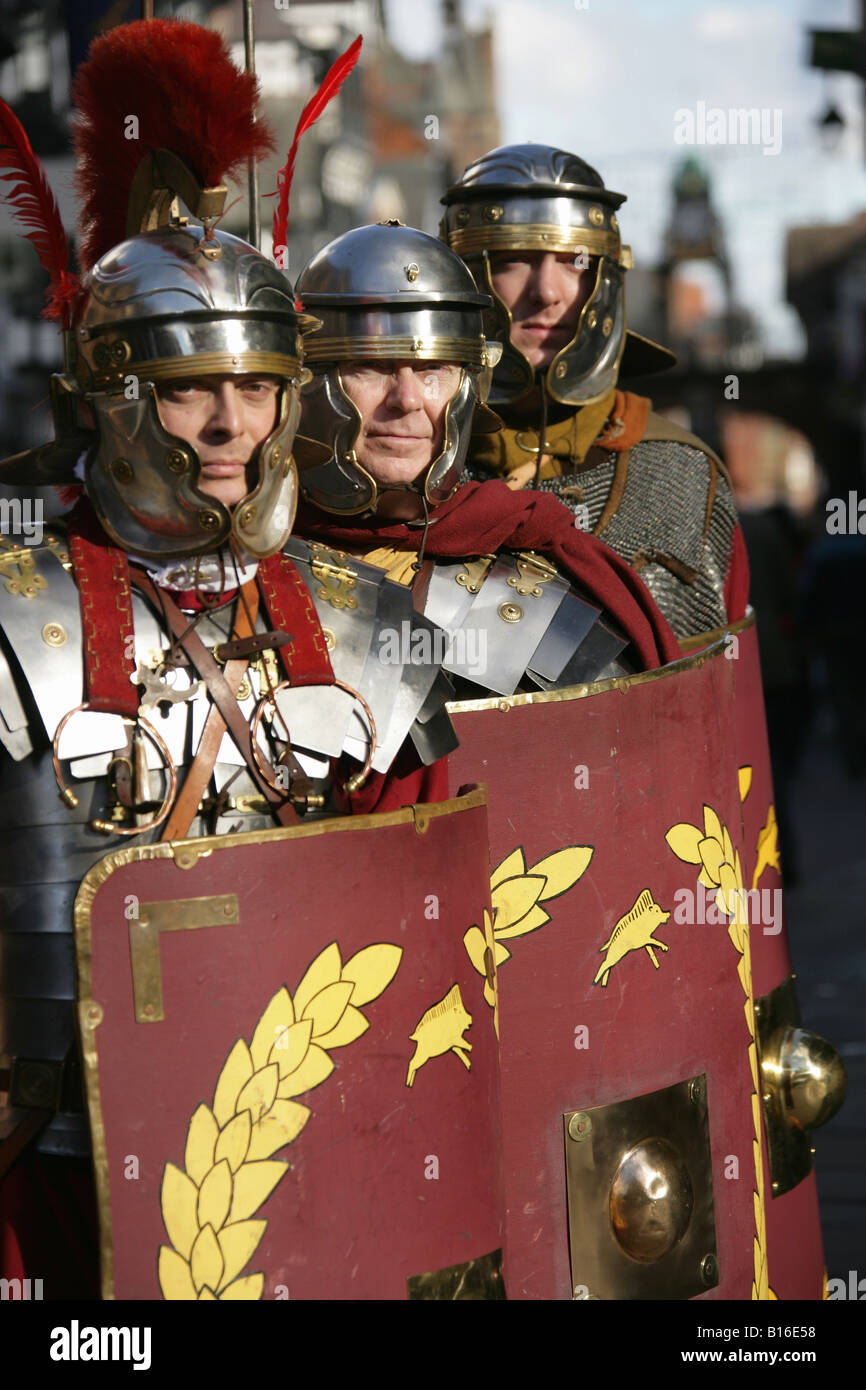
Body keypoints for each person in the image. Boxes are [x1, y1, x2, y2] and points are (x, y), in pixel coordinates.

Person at [0, 20, 455, 1297]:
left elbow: (434, 928)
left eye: (254, 387)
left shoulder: (371, 624)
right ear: (110, 392)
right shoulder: (9, 613)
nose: (227, 425)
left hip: (320, 1145)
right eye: (190, 387)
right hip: (53, 1165)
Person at [293, 220, 681, 696]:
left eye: (434, 368)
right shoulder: (233, 575)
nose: (408, 399)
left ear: (470, 388)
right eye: (370, 366)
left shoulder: (550, 608)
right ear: (307, 384)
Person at [439, 143, 750, 641]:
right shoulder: (404, 460)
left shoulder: (684, 475)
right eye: (514, 261)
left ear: (606, 281)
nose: (547, 292)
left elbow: (720, 701)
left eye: (574, 263)